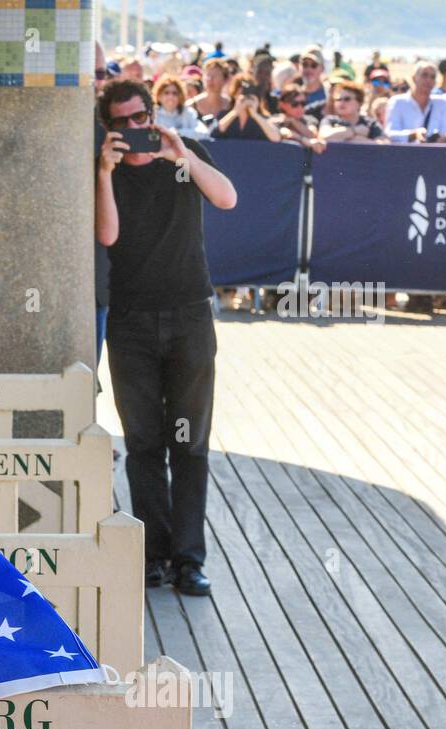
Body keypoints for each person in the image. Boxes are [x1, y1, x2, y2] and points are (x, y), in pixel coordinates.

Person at [94, 80, 237, 597]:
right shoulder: (103, 170)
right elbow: (107, 235)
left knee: (190, 443)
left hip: (189, 314)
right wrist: (106, 171)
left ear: (154, 115)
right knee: (144, 442)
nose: (135, 129)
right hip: (131, 318)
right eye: (122, 121)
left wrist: (183, 155)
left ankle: (189, 559)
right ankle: (154, 555)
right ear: (108, 126)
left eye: (142, 118)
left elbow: (226, 197)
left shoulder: (183, 155)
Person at [386, 61, 446, 141]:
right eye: (424, 75)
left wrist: (445, 138)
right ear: (414, 78)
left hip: (436, 152)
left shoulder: (442, 103)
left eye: (432, 77)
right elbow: (390, 133)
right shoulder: (397, 102)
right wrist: (413, 135)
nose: (428, 80)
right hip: (405, 152)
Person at [213, 75, 282, 141]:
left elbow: (276, 138)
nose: (245, 97)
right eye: (241, 93)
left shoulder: (263, 119)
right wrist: (235, 112)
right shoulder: (224, 116)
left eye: (249, 93)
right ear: (234, 94)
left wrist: (255, 114)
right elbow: (213, 133)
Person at [319, 82, 388, 142]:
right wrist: (355, 131)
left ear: (359, 103)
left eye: (347, 99)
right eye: (338, 99)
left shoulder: (370, 124)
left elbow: (383, 144)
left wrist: (343, 137)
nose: (341, 102)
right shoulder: (330, 120)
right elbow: (324, 136)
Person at [298, 46, 327, 110]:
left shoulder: (329, 95)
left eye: (314, 65)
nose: (309, 69)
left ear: (322, 68)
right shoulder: (294, 95)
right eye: (305, 64)